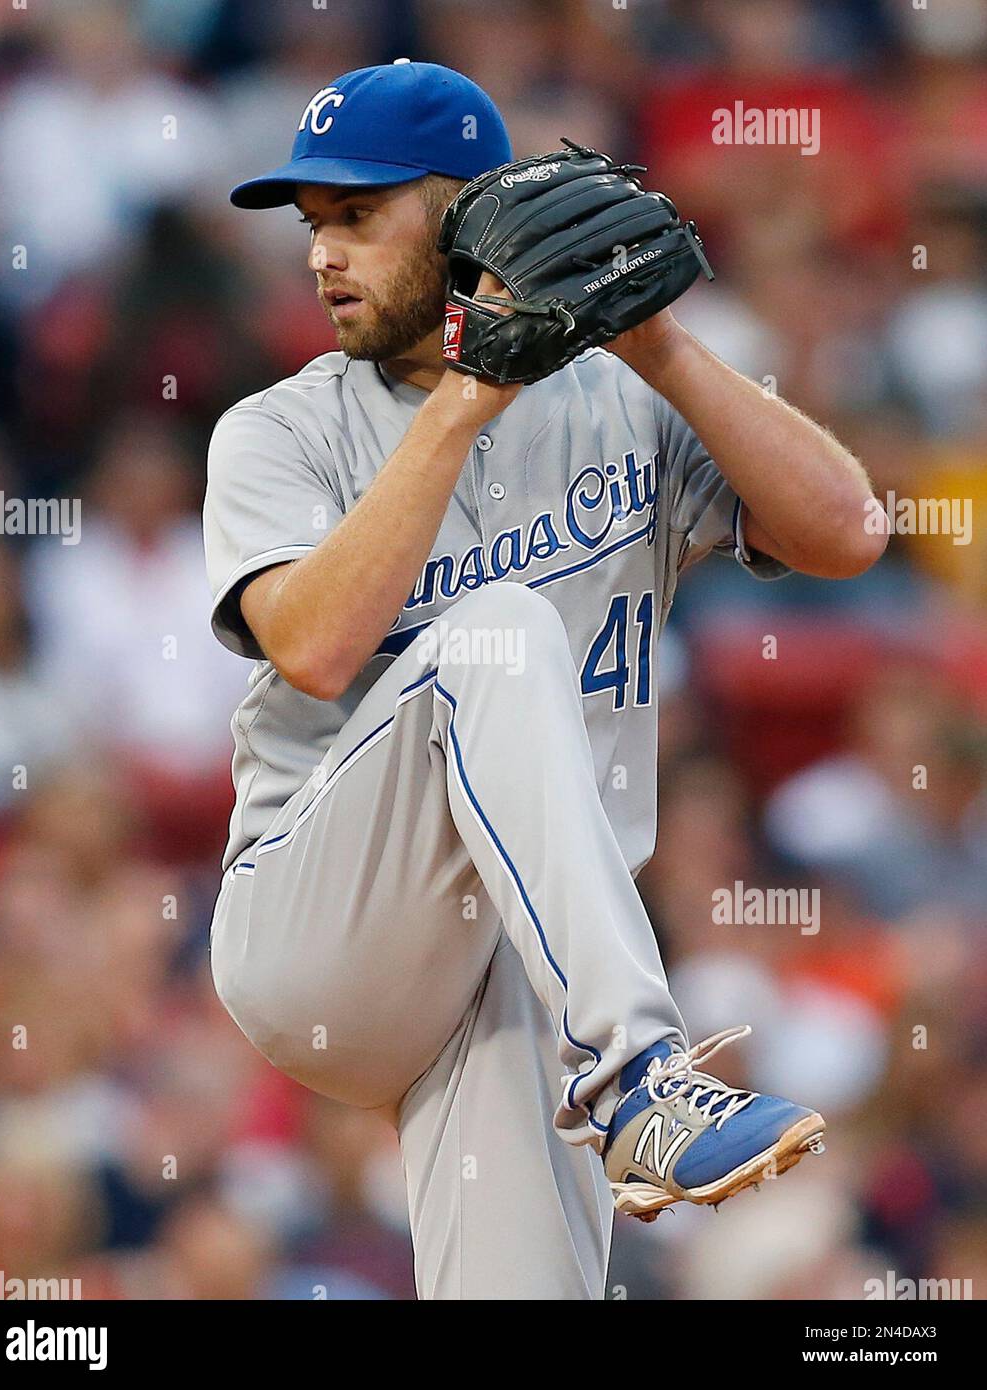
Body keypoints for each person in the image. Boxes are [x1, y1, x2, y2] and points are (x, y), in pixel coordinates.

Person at [203, 60, 887, 1299]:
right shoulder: (282, 429)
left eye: (357, 215)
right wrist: (473, 387)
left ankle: (625, 1073)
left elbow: (845, 532)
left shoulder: (618, 403)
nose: (321, 255)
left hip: (523, 959)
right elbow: (309, 643)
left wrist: (660, 343)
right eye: (312, 225)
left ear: (468, 212)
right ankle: (639, 1076)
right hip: (322, 926)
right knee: (500, 632)